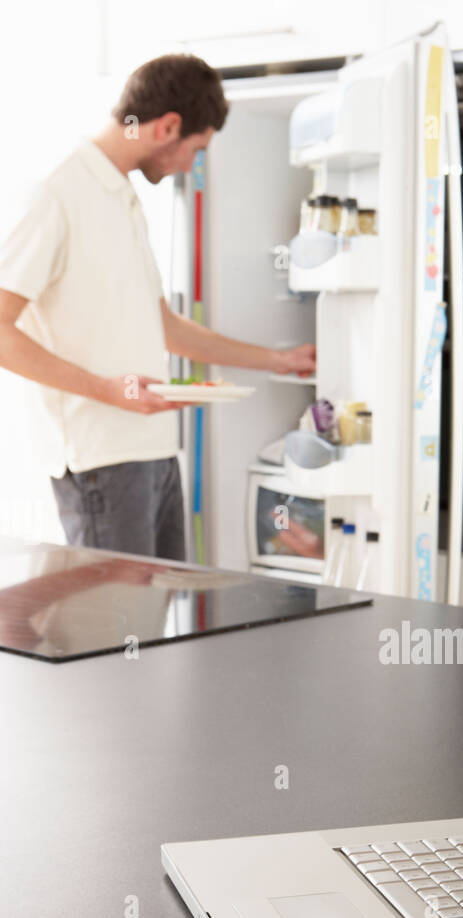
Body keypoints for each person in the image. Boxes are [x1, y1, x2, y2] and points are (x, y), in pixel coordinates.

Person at [0, 54, 316, 561]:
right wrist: (106, 389)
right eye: (195, 150)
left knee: (156, 627)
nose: (191, 165)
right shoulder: (57, 192)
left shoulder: (121, 197)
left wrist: (279, 360)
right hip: (101, 460)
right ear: (168, 126)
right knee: (116, 631)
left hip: (155, 453)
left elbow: (164, 326)